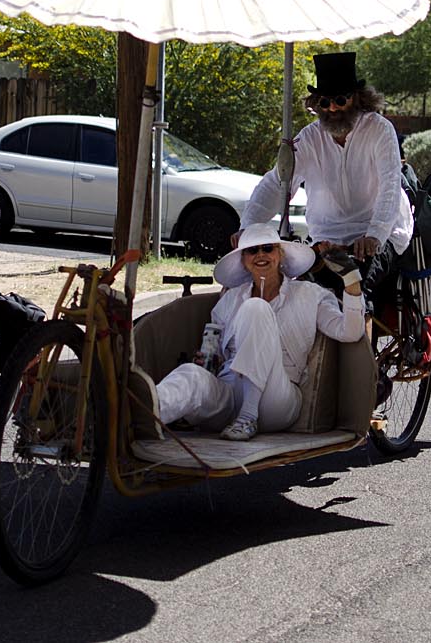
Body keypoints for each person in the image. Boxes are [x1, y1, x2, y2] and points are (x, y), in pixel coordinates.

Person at [154, 224, 365, 441]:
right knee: (190, 375)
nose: (261, 255)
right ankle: (147, 414)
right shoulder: (229, 300)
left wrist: (351, 280)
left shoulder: (309, 294)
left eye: (268, 248)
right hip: (229, 394)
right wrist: (208, 360)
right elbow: (215, 352)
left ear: (280, 255)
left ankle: (248, 415)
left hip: (277, 399)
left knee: (256, 308)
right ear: (244, 261)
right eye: (252, 250)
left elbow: (350, 332)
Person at [237, 52, 412, 297]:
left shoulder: (379, 130)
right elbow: (277, 183)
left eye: (340, 100)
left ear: (357, 98)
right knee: (301, 294)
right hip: (326, 240)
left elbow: (390, 185)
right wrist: (248, 228)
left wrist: (375, 235)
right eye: (325, 102)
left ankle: (361, 320)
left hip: (376, 236)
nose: (332, 108)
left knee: (357, 291)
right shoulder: (309, 137)